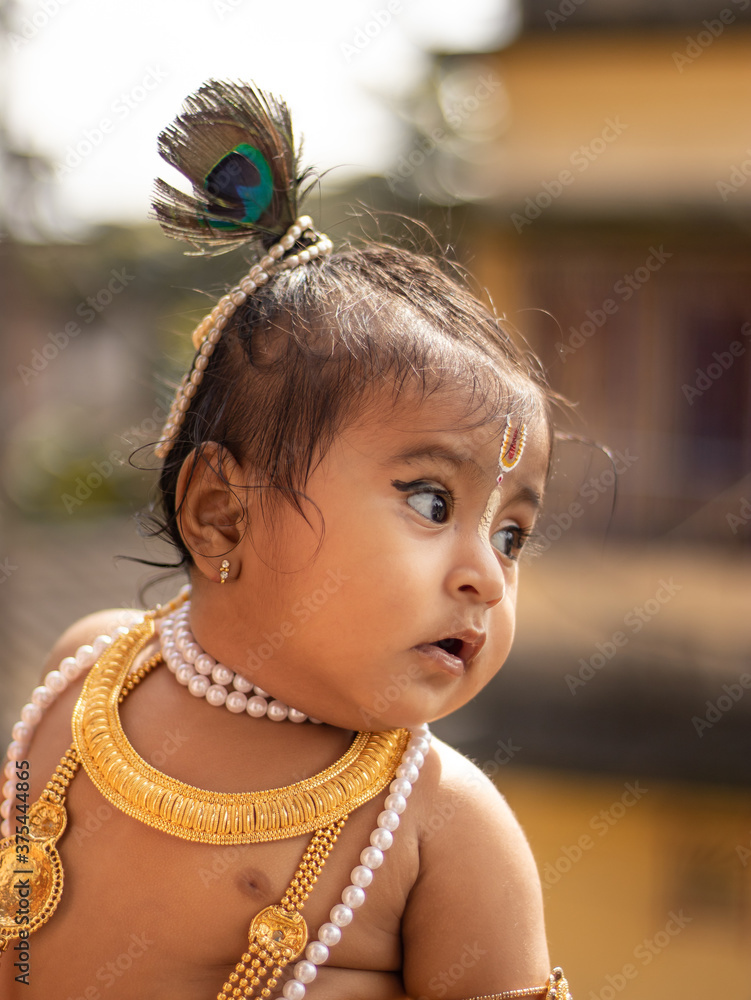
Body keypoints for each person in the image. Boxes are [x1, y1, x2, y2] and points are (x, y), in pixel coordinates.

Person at [0, 81, 572, 1000]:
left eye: (511, 534)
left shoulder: (442, 825)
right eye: (431, 502)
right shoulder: (79, 675)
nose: (484, 578)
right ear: (222, 515)